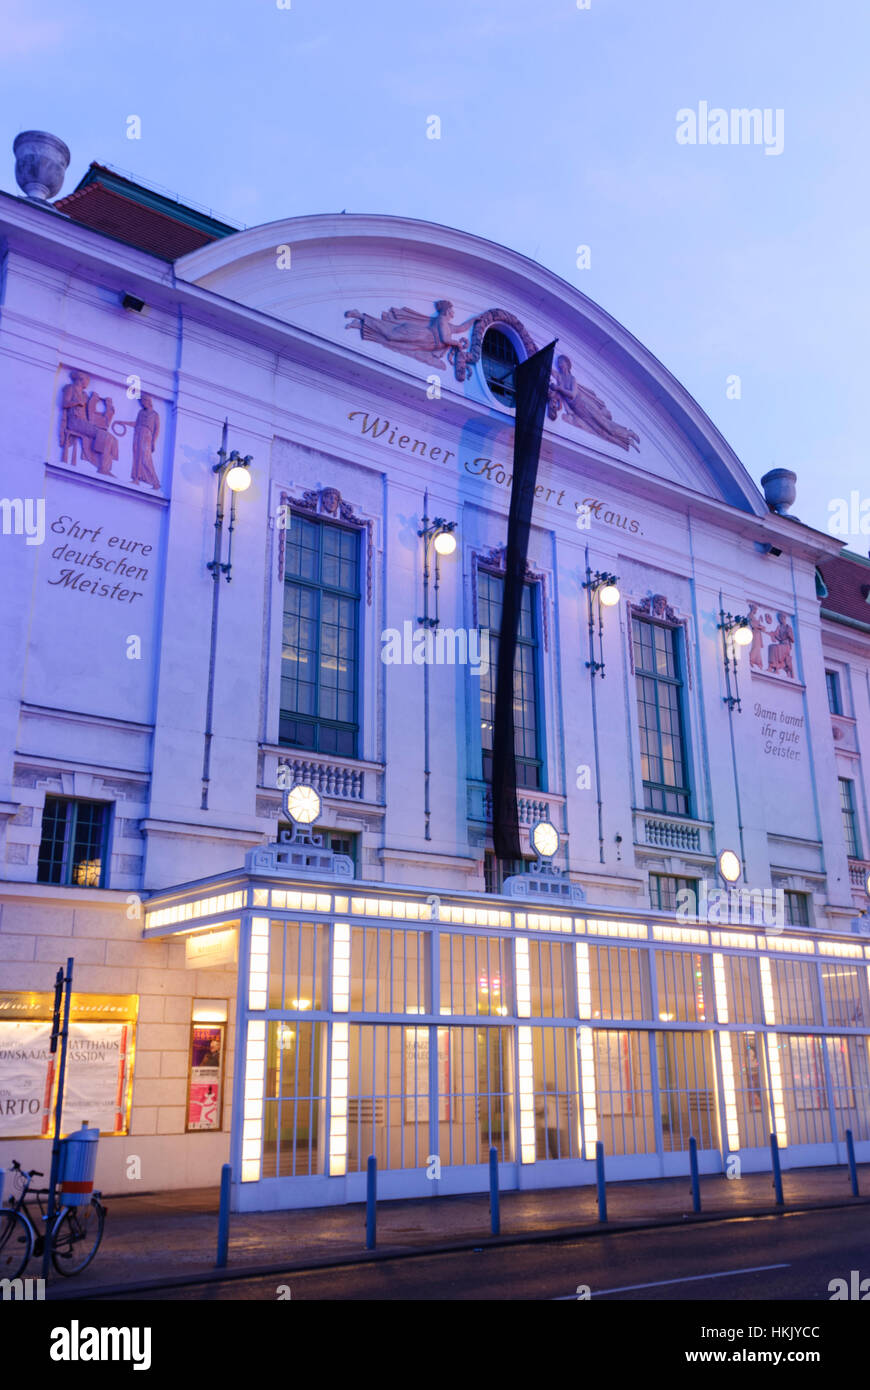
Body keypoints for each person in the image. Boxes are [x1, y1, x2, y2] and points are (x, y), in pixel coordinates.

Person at [130, 395, 161, 489]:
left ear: (148, 401)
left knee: (145, 458)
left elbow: (156, 430)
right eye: (141, 402)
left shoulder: (155, 415)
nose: (142, 404)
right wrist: (122, 422)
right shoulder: (140, 412)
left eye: (143, 402)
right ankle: (136, 478)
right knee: (137, 456)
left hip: (147, 435)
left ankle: (155, 482)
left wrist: (153, 442)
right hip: (137, 434)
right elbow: (136, 424)